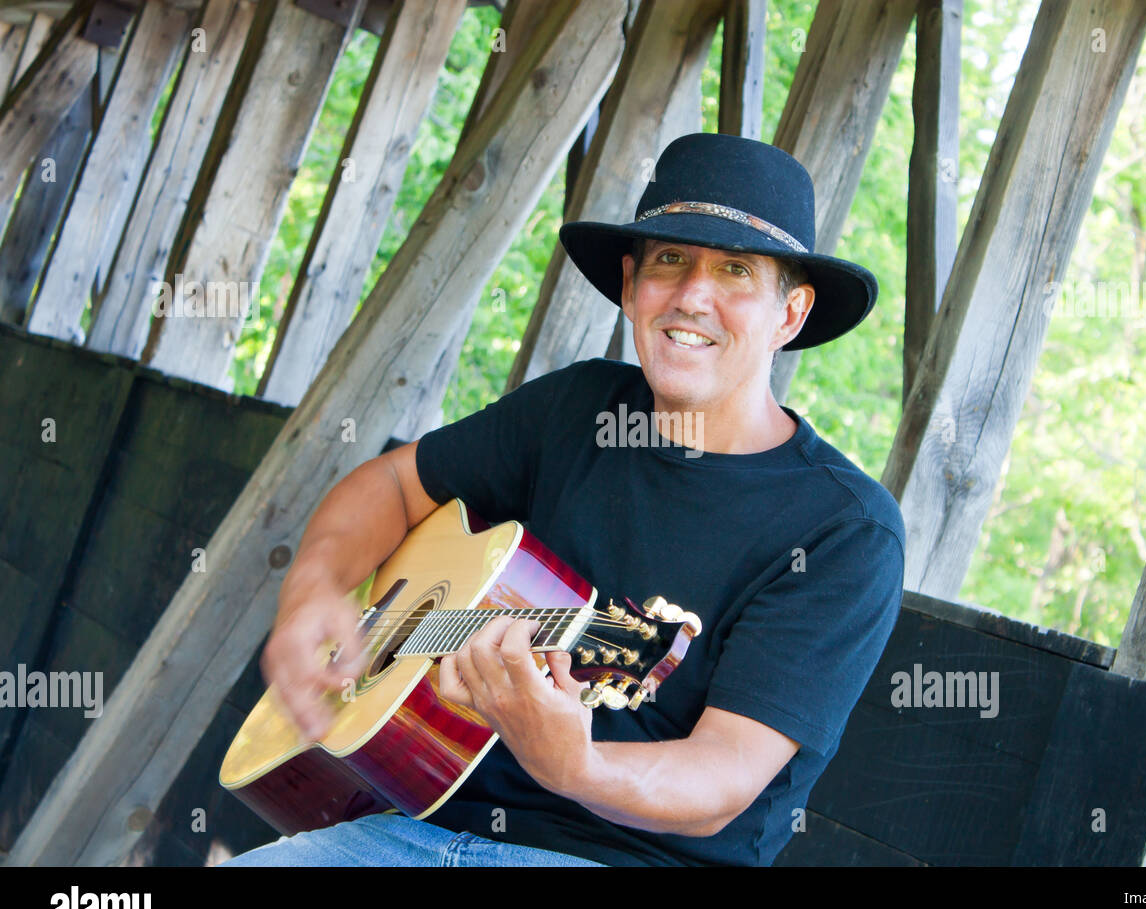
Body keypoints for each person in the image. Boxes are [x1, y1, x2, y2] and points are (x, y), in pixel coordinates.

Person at [224, 133, 905, 867]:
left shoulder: (844, 530)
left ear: (790, 315)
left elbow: (723, 778)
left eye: (736, 271)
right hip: (411, 822)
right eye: (670, 259)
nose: (693, 296)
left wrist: (571, 768)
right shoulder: (575, 407)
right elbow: (392, 483)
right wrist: (313, 590)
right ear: (629, 285)